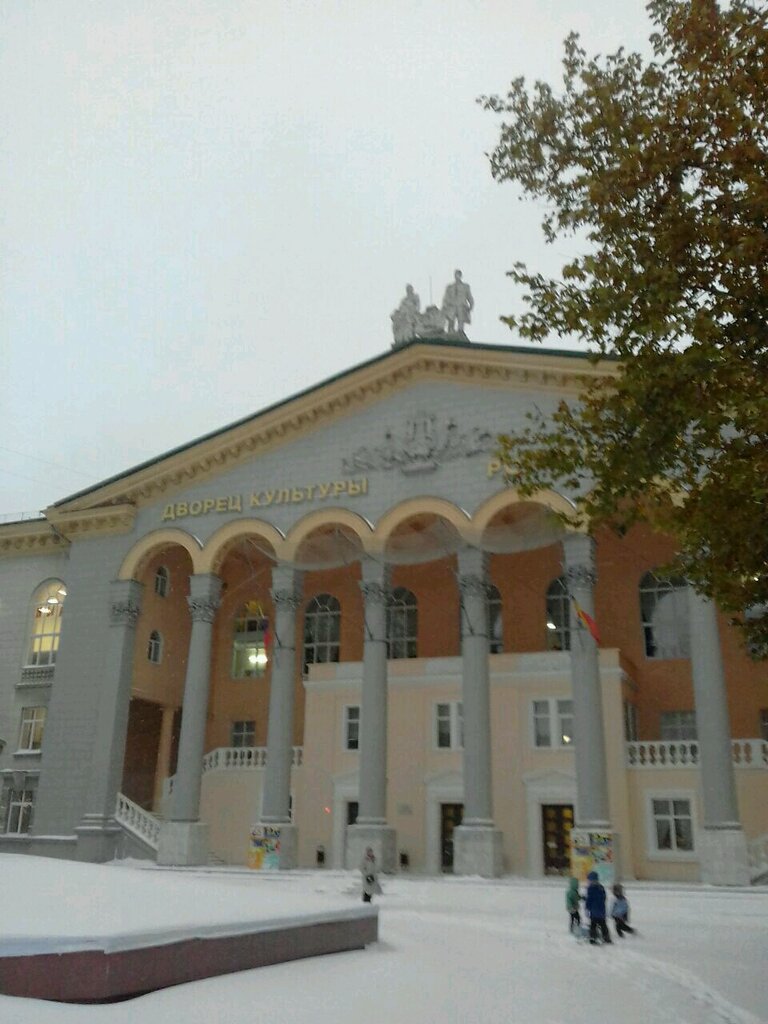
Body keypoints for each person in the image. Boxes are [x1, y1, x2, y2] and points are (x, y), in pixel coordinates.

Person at [441, 269, 474, 336]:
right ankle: (450, 331)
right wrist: (444, 305)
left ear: (461, 276)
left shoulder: (465, 286)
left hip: (461, 305)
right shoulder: (450, 287)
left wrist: (471, 305)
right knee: (451, 320)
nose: (457, 276)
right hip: (452, 305)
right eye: (456, 275)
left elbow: (469, 297)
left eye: (458, 275)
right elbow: (446, 297)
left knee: (461, 320)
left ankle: (460, 331)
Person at [584, 870, 612, 945]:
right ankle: (606, 937)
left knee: (593, 925)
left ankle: (593, 938)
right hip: (601, 910)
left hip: (593, 911)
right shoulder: (601, 887)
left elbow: (589, 899)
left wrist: (587, 907)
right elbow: (604, 897)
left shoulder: (590, 888)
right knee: (603, 925)